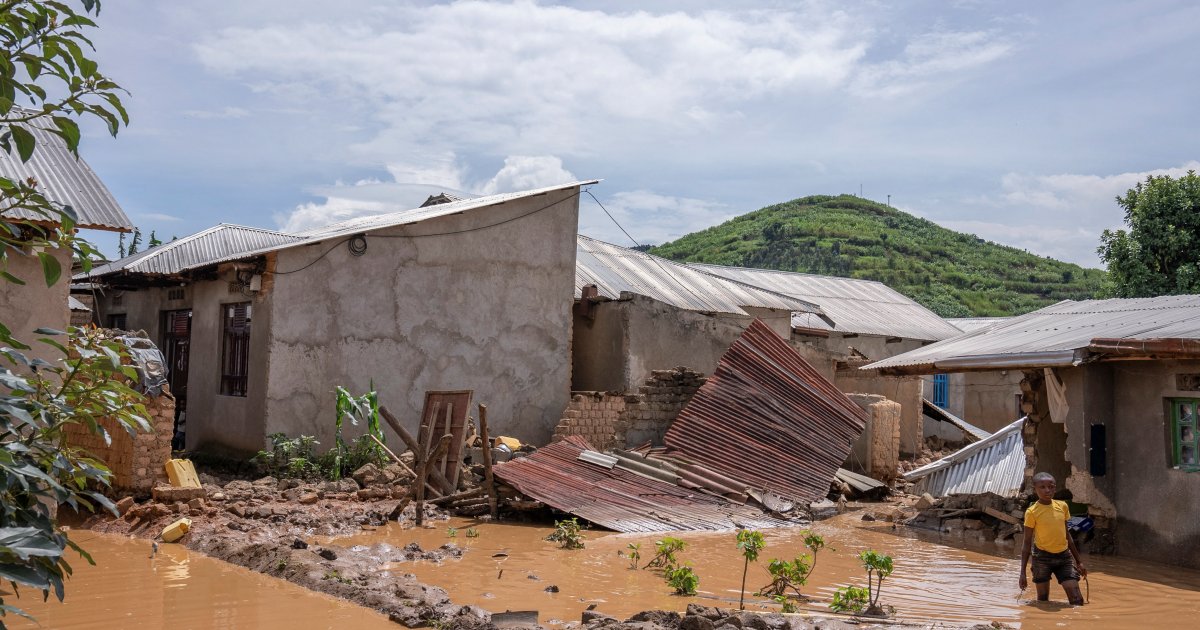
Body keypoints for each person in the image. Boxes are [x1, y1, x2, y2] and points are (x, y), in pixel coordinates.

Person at [1019, 472, 1086, 605]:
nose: (1047, 490)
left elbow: (1067, 535)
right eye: (1042, 487)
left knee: (1077, 601)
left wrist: (1079, 562)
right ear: (1035, 489)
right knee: (1043, 600)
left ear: (1055, 488)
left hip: (1064, 557)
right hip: (1041, 558)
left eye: (1051, 486)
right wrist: (1022, 573)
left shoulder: (1062, 506)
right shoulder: (1032, 512)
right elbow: (1027, 543)